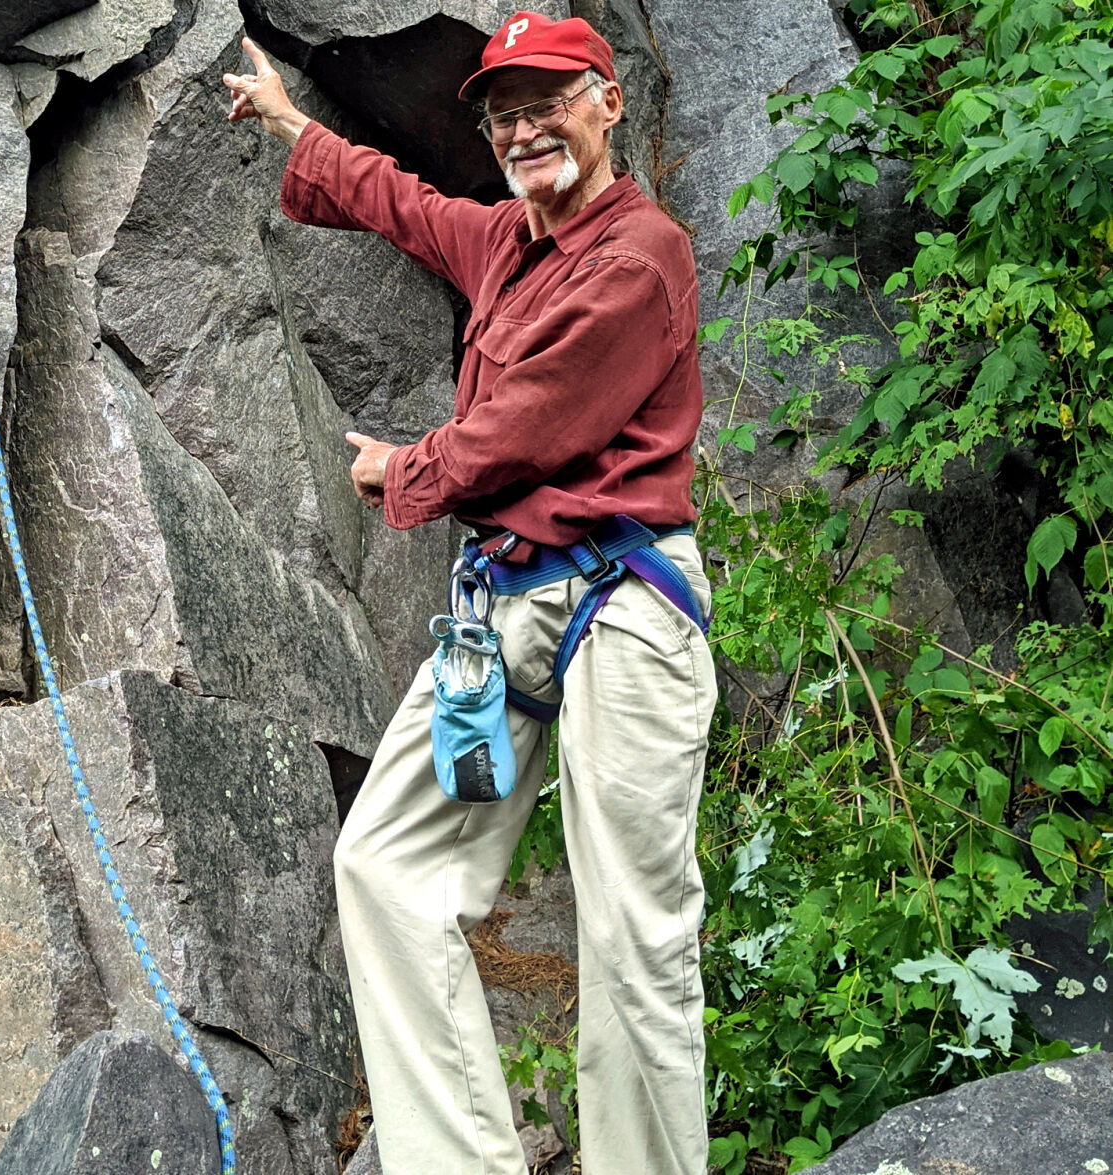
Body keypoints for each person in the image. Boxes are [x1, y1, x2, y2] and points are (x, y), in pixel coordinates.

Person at [222, 13, 717, 1175]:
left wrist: (410, 468)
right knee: (384, 865)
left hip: (622, 606)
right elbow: (406, 205)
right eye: (499, 112)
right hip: (508, 611)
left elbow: (529, 423)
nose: (519, 127)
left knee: (631, 934)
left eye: (544, 100)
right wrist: (294, 123)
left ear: (604, 102)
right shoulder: (506, 240)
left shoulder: (641, 256)